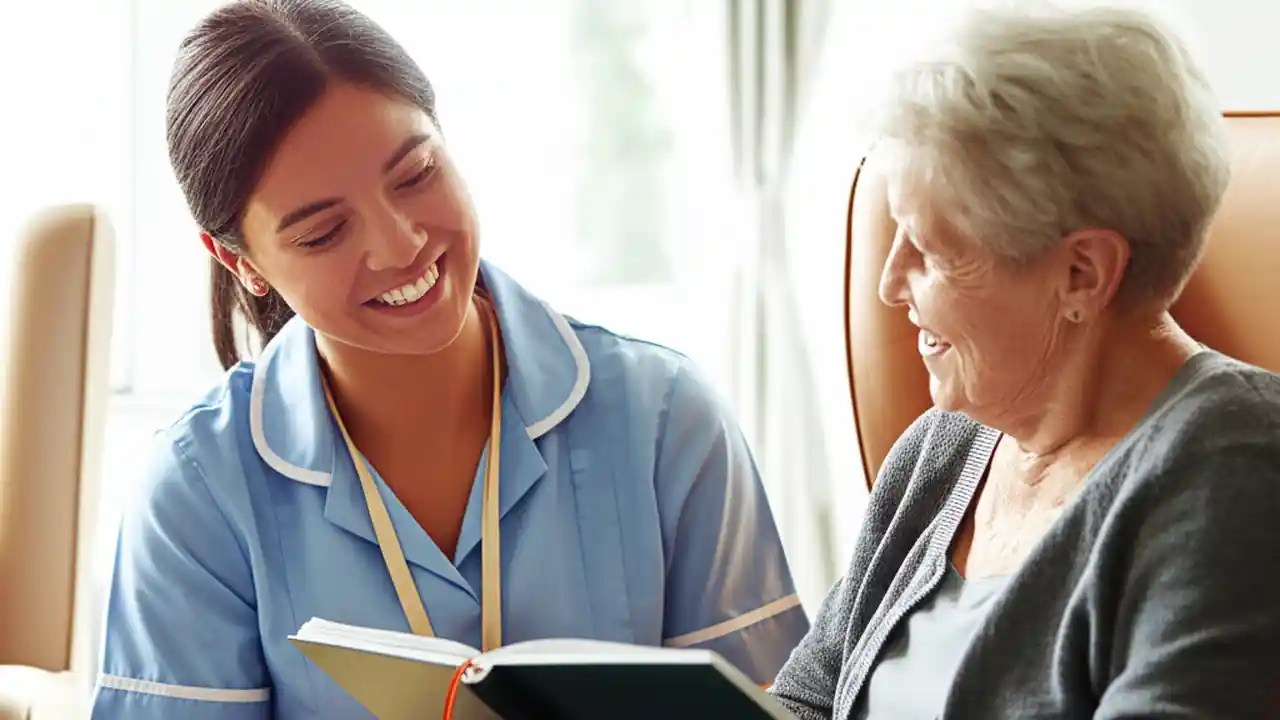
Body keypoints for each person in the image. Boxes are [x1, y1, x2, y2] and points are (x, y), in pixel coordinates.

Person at [89, 1, 808, 716]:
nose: (400, 245)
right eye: (324, 232)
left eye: (415, 175)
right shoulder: (198, 494)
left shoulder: (665, 417)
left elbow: (769, 702)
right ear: (241, 261)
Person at [771, 2, 1280, 718]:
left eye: (932, 252)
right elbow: (805, 701)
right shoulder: (941, 450)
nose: (889, 284)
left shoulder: (1237, 469)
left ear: (1081, 274)